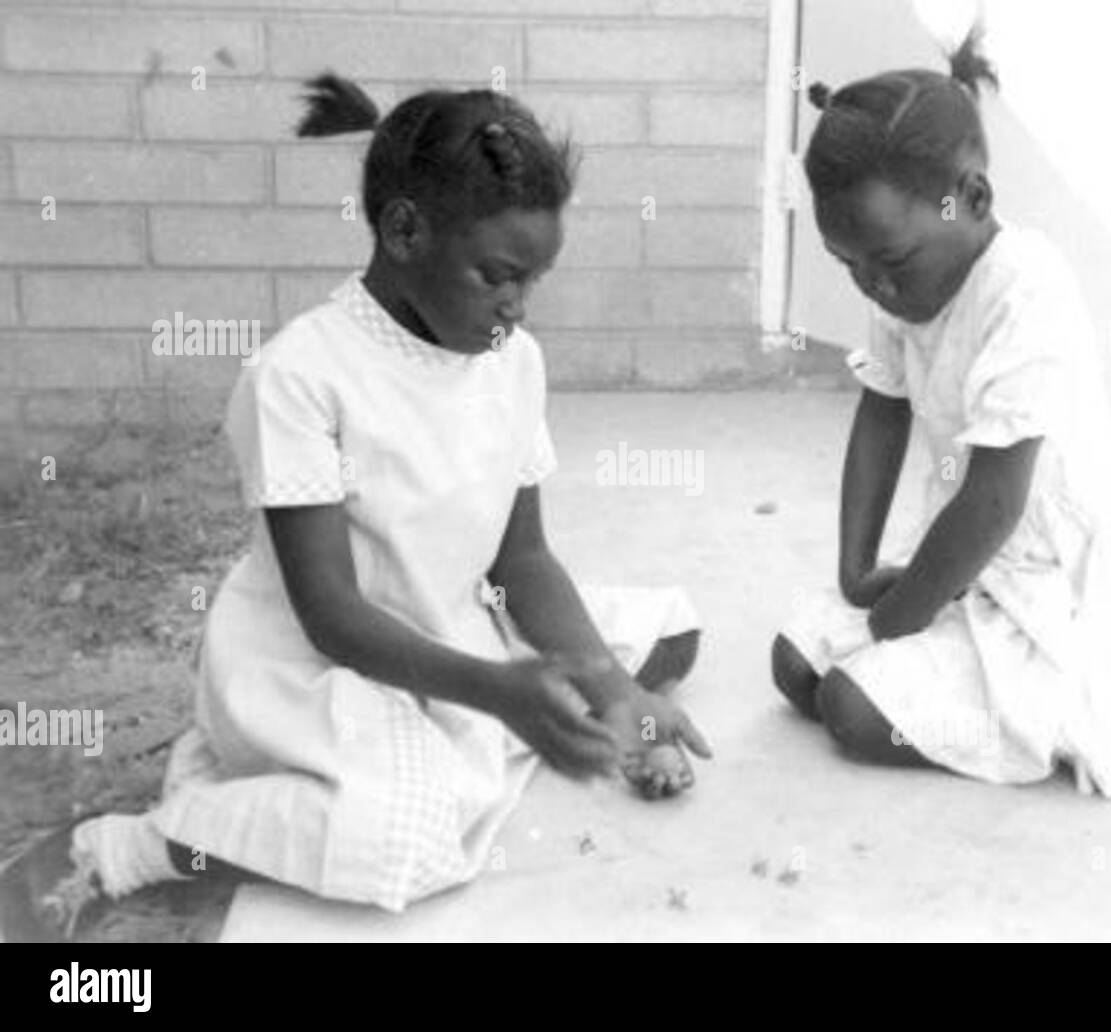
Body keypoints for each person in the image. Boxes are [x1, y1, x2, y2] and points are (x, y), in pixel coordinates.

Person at [2, 74, 709, 941]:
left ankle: (525, 714)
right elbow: (332, 616)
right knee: (404, 846)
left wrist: (609, 685)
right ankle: (140, 846)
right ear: (404, 229)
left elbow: (521, 562)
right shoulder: (303, 375)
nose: (517, 307)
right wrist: (499, 691)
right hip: (321, 667)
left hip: (454, 628)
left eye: (534, 281)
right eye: (498, 276)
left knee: (655, 643)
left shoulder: (512, 361)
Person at [772, 30, 1111, 796]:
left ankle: (1032, 706)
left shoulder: (1027, 291)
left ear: (972, 198)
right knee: (793, 664)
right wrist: (856, 568)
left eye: (888, 263)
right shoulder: (899, 283)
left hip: (1052, 566)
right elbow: (881, 416)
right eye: (848, 267)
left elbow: (997, 501)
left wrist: (900, 617)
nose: (873, 288)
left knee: (850, 708)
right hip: (969, 547)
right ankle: (930, 634)